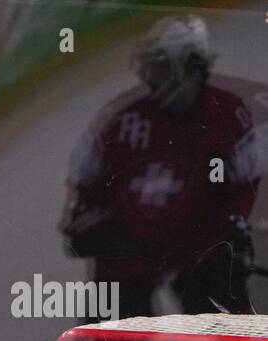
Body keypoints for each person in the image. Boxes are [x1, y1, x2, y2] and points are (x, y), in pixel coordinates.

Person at [59, 14, 261, 318]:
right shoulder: (125, 123)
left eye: (162, 66)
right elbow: (88, 182)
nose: (151, 76)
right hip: (132, 250)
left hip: (202, 246)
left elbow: (249, 182)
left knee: (224, 319)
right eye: (152, 66)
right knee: (107, 339)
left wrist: (239, 224)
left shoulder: (228, 116)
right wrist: (84, 215)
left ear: (192, 66)